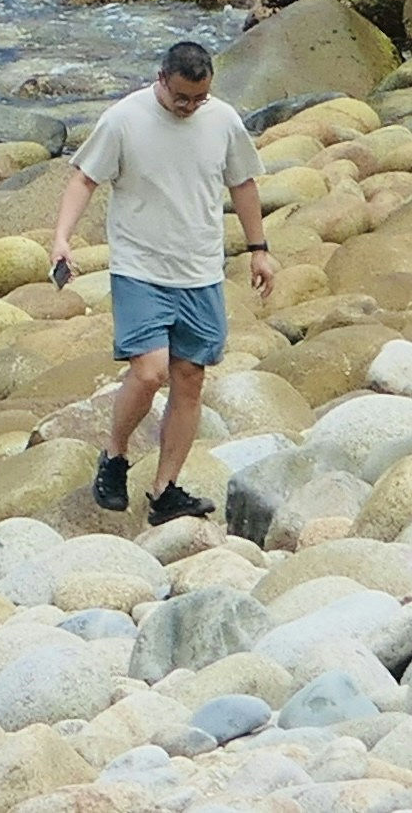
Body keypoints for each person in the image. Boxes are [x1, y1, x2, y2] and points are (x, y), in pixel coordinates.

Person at [50, 37, 270, 524]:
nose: (189, 107)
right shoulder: (123, 120)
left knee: (190, 379)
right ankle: (115, 455)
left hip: (200, 271)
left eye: (199, 98)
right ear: (161, 80)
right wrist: (62, 238)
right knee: (150, 372)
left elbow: (243, 184)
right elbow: (84, 179)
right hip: (140, 268)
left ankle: (165, 491)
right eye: (181, 98)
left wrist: (259, 250)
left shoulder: (223, 120)